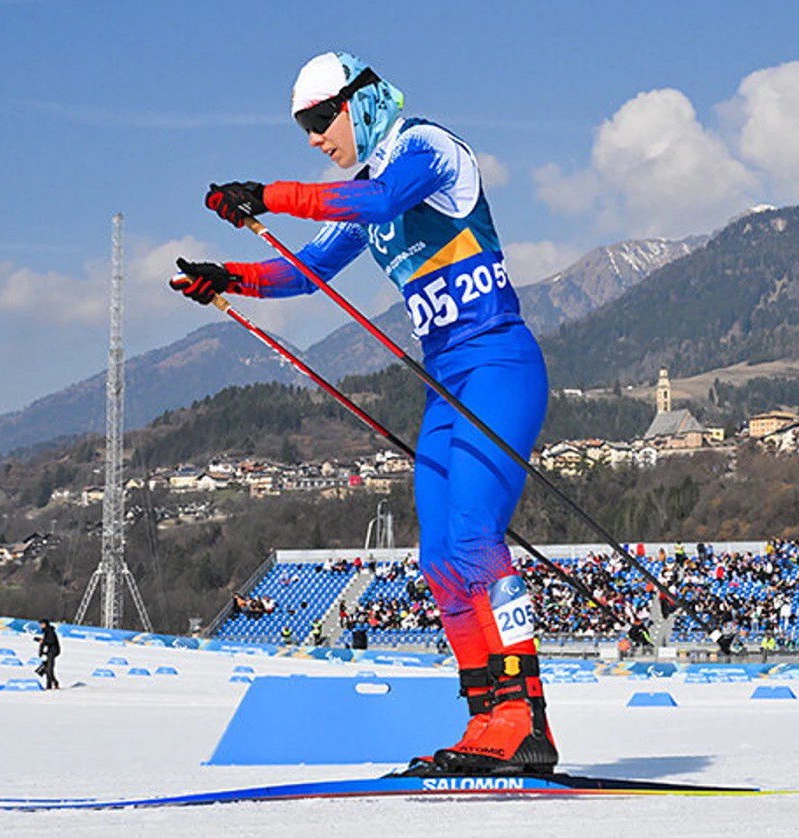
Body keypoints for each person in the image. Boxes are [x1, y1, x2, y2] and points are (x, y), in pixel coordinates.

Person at [172, 51, 554, 775]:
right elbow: (305, 270)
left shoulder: (426, 149)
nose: (315, 138)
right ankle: (484, 721)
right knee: (441, 561)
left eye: (321, 120)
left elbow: (380, 203)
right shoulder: (359, 189)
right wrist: (230, 278)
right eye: (304, 128)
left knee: (475, 538)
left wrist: (268, 194)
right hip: (446, 382)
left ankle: (525, 719)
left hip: (499, 366)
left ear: (361, 100)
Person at [35, 618, 60, 690]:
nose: (41, 625)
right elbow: (44, 643)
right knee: (46, 669)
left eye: (42, 624)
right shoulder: (46, 632)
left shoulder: (50, 631)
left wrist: (41, 640)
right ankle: (52, 683)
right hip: (48, 652)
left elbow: (51, 641)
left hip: (52, 652)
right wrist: (41, 652)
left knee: (49, 669)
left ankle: (50, 685)